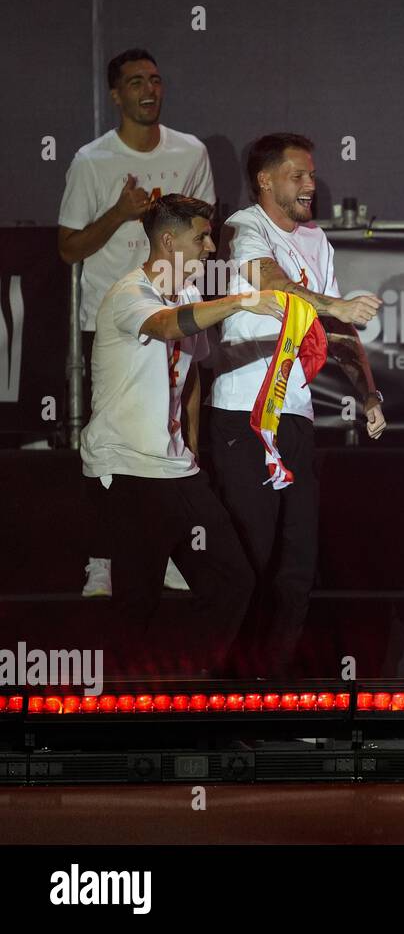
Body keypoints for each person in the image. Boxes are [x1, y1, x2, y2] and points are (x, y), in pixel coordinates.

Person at [205, 133, 382, 677]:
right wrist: (336, 303)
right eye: (298, 175)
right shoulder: (244, 227)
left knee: (297, 566)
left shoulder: (317, 239)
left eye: (312, 174)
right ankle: (222, 694)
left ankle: (269, 694)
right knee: (252, 561)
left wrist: (368, 392)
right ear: (265, 180)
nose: (311, 184)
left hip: (297, 418)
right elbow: (271, 283)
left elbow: (335, 327)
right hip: (245, 414)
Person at [80, 195, 280, 673]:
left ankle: (186, 688)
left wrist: (191, 449)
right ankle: (119, 719)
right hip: (125, 468)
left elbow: (190, 377)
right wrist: (248, 297)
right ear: (168, 241)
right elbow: (169, 327)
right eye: (201, 237)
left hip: (177, 471)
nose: (211, 247)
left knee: (233, 581)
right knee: (136, 600)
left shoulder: (188, 295)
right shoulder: (130, 293)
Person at [58, 48, 215, 597]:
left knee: (169, 429)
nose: (148, 90)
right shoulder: (91, 161)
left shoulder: (191, 151)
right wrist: (121, 214)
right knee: (114, 441)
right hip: (114, 318)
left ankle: (163, 548)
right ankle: (102, 558)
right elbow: (68, 248)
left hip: (171, 311)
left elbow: (202, 229)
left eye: (155, 79)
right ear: (115, 95)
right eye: (134, 82)